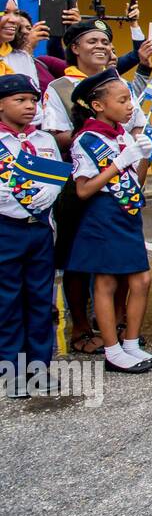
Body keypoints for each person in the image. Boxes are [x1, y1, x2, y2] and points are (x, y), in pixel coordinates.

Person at [42, 19, 146, 356]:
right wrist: (99, 138)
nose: (101, 46)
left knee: (119, 262)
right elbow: (55, 134)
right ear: (74, 47)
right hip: (80, 181)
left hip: (120, 185)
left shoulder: (119, 85)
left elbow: (138, 129)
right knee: (78, 258)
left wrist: (132, 170)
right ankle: (82, 327)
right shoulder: (58, 86)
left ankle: (115, 325)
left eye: (106, 40)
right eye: (92, 41)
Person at [67, 70, 152, 374]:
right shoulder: (87, 139)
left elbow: (135, 182)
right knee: (106, 282)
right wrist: (118, 163)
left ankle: (130, 343)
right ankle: (113, 350)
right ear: (98, 106)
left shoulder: (119, 134)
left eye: (130, 99)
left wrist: (142, 155)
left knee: (141, 280)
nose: (130, 105)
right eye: (122, 100)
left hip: (127, 212)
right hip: (104, 213)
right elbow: (83, 189)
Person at [0, 74, 62, 396]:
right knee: (7, 301)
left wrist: (47, 196)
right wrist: (17, 200)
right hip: (6, 227)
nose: (28, 106)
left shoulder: (43, 141)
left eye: (32, 100)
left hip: (38, 228)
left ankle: (39, 368)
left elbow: (54, 178)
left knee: (40, 300)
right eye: (19, 100)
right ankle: (10, 370)